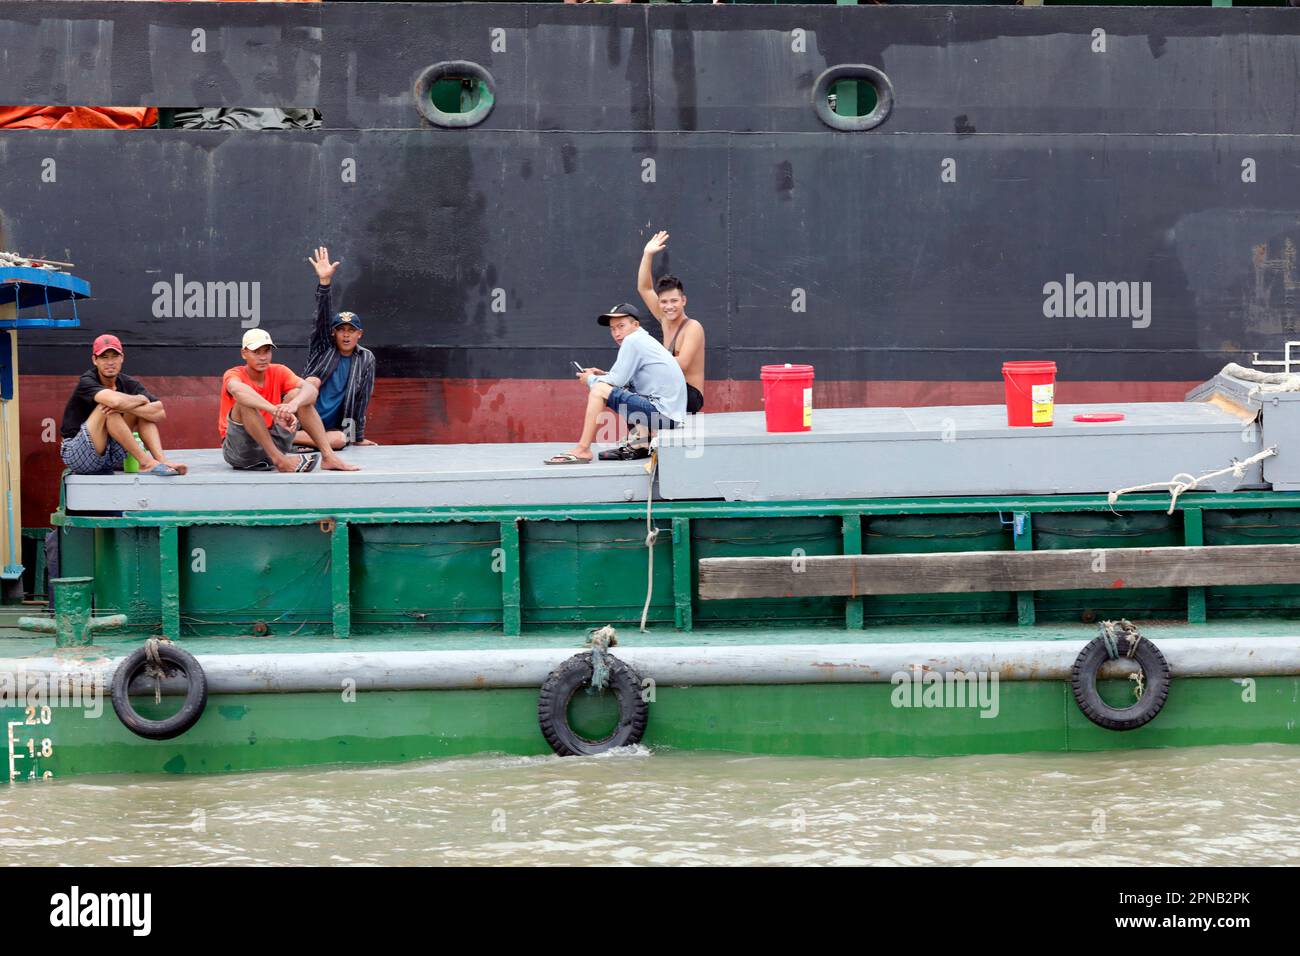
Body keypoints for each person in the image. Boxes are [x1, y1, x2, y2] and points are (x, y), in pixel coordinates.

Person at [545, 303, 686, 464]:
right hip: (670, 416)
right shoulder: (642, 339)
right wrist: (603, 374)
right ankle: (641, 444)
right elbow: (623, 379)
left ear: (635, 325)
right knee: (616, 387)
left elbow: (617, 381)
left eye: (621, 326)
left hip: (664, 416)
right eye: (613, 329)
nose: (617, 333)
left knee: (598, 390)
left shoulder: (633, 341)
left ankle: (583, 449)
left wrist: (590, 379)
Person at [220, 328, 360, 473]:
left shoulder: (278, 370)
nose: (263, 357)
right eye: (256, 352)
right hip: (240, 451)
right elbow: (238, 391)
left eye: (266, 351)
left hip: (273, 442)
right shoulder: (234, 374)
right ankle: (280, 461)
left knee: (299, 395)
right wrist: (274, 410)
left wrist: (294, 405)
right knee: (243, 403)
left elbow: (311, 390)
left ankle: (329, 457)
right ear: (244, 353)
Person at [59, 334, 184, 477]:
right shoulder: (87, 381)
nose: (110, 362)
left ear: (122, 358)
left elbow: (159, 413)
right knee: (106, 408)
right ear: (95, 360)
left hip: (111, 455)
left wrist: (129, 406)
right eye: (104, 357)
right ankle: (145, 463)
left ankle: (161, 461)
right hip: (78, 454)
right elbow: (114, 402)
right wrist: (139, 399)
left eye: (114, 356)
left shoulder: (128, 382)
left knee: (144, 414)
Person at [298, 246, 377, 450]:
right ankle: (298, 437)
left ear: (359, 334)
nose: (346, 334)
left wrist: (358, 437)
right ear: (333, 333)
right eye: (341, 330)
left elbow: (362, 399)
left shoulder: (366, 359)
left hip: (330, 431)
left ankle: (289, 440)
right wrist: (325, 282)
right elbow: (321, 320)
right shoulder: (322, 348)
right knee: (312, 382)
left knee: (342, 440)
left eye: (351, 330)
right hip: (302, 422)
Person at [637, 230, 705, 414]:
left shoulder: (693, 327)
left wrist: (643, 364)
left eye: (674, 301)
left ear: (683, 300)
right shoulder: (664, 318)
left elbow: (682, 363)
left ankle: (643, 438)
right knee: (629, 390)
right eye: (664, 302)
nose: (669, 307)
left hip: (690, 397)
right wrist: (647, 254)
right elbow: (644, 288)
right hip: (670, 391)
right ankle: (640, 440)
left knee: (639, 385)